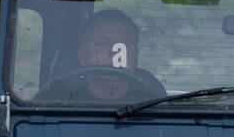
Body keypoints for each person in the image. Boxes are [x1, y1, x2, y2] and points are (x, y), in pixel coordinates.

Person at [35, 9, 165, 103]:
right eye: (102, 43)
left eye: (123, 44)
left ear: (135, 56)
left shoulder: (152, 96)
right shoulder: (57, 97)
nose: (114, 51)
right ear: (82, 55)